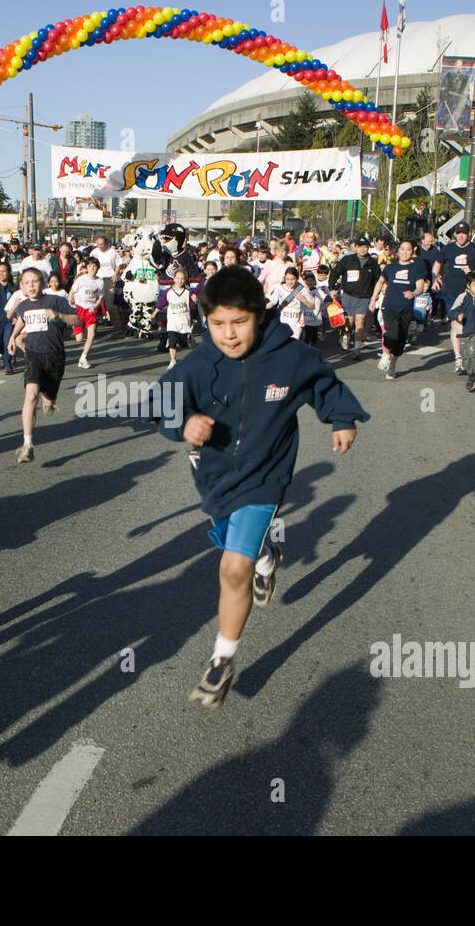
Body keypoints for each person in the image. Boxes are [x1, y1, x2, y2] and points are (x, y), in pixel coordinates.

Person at [158, 266, 367, 707]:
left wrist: (342, 418)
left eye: (239, 321)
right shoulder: (198, 363)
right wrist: (182, 422)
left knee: (232, 569)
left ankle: (221, 660)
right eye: (218, 324)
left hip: (266, 476)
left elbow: (323, 383)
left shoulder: (289, 357)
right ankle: (268, 558)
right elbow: (161, 402)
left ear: (260, 314)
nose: (229, 334)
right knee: (236, 549)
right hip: (214, 478)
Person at [8, 268, 83, 463]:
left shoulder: (55, 301)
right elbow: (22, 321)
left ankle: (49, 401)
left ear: (43, 283)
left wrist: (58, 315)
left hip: (55, 356)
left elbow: (77, 319)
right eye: (27, 282)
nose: (31, 285)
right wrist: (13, 337)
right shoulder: (23, 305)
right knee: (30, 395)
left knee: (48, 402)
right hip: (33, 354)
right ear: (22, 286)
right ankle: (27, 444)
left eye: (35, 281)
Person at [435, 223, 475, 375]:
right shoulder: (448, 248)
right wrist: (436, 277)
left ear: (469, 234)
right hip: (451, 292)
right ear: (454, 234)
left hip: (470, 293)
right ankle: (458, 358)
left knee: (470, 323)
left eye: (464, 233)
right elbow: (437, 263)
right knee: (456, 323)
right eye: (458, 233)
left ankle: (469, 351)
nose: (461, 236)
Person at [372, 239, 429, 381]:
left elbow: (420, 287)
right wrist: (373, 298)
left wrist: (413, 293)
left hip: (406, 309)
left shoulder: (417, 269)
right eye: (402, 249)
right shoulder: (390, 268)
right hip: (389, 306)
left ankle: (392, 364)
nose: (405, 252)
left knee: (401, 341)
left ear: (413, 251)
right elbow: (380, 282)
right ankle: (385, 355)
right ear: (397, 252)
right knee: (392, 334)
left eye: (408, 249)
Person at [329, 236, 381, 359]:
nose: (363, 250)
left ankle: (357, 349)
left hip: (364, 297)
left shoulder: (372, 263)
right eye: (360, 247)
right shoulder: (348, 260)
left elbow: (378, 280)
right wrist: (332, 288)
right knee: (350, 322)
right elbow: (335, 273)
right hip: (348, 295)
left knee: (360, 322)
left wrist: (375, 296)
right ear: (355, 247)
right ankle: (345, 336)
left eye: (365, 247)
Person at [69, 257, 104, 369]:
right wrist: (71, 299)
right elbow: (72, 291)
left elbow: (100, 297)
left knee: (92, 335)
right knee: (79, 338)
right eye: (90, 266)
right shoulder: (81, 279)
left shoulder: (100, 282)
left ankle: (83, 358)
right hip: (79, 308)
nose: (92, 268)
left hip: (90, 310)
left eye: (94, 266)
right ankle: (80, 331)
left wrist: (95, 306)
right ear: (87, 268)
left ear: (98, 268)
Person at [164, 268, 195, 369]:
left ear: (185, 280)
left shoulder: (187, 292)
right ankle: (173, 360)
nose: (180, 280)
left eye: (182, 278)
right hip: (173, 321)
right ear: (174, 278)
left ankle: (190, 340)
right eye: (178, 278)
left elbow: (191, 306)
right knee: (172, 340)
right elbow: (162, 303)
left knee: (183, 343)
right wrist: (154, 313)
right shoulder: (168, 292)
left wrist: (195, 302)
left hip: (184, 320)